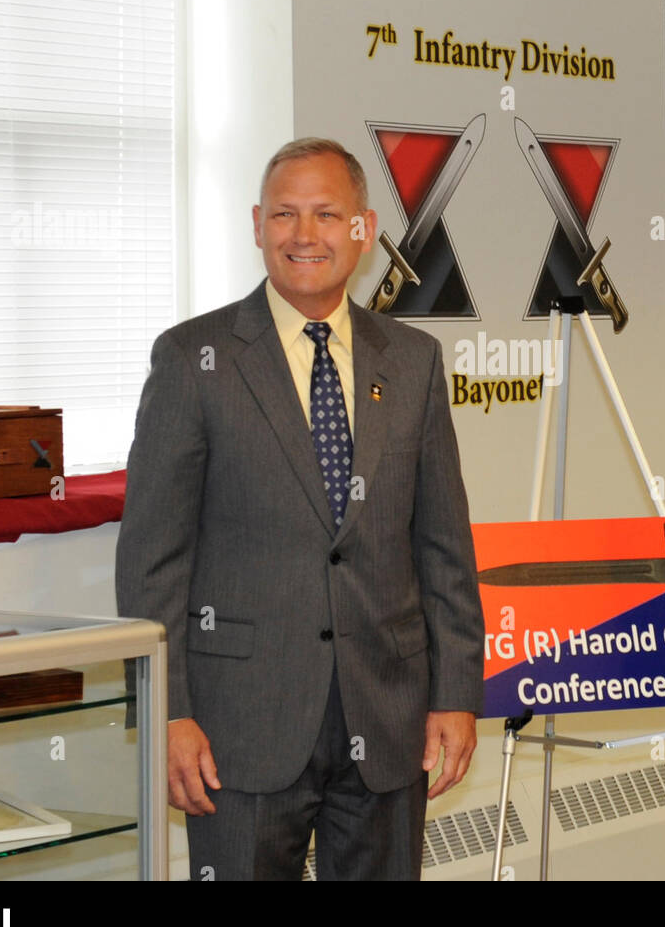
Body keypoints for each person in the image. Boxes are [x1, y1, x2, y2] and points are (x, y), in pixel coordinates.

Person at [116, 138, 485, 880]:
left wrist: (455, 695)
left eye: (326, 214)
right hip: (240, 728)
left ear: (363, 229)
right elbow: (153, 558)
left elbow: (443, 544)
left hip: (387, 716)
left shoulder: (411, 362)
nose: (305, 235)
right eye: (285, 214)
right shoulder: (195, 360)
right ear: (257, 225)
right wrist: (167, 712)